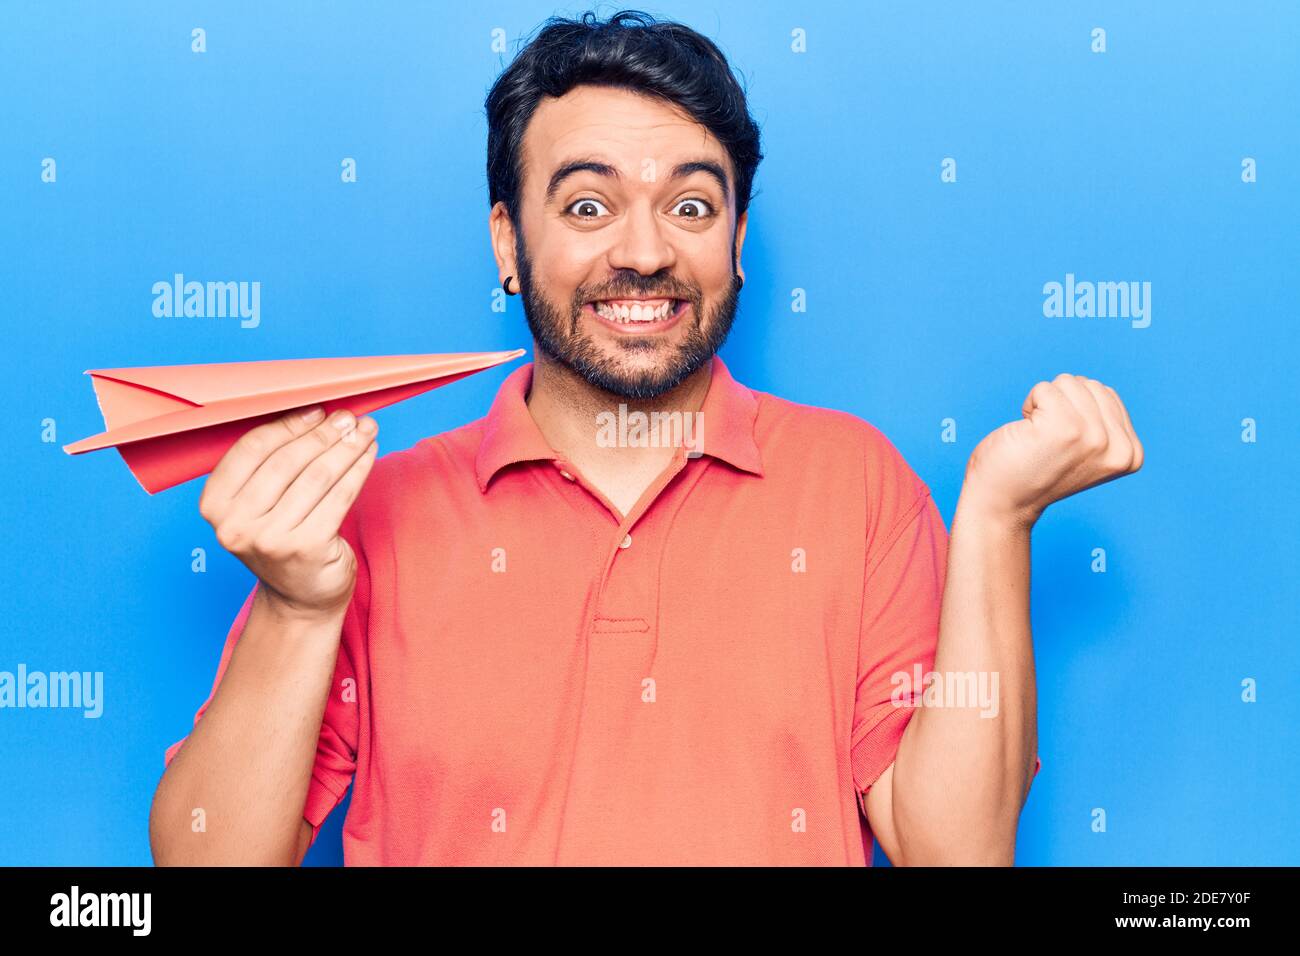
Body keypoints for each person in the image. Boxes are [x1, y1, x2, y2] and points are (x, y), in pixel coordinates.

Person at [149, 10, 1142, 866]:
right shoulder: (373, 516)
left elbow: (955, 851)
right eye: (587, 204)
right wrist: (295, 607)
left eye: (691, 205)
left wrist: (998, 518)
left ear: (738, 244)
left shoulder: (858, 484)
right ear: (508, 243)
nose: (642, 250)